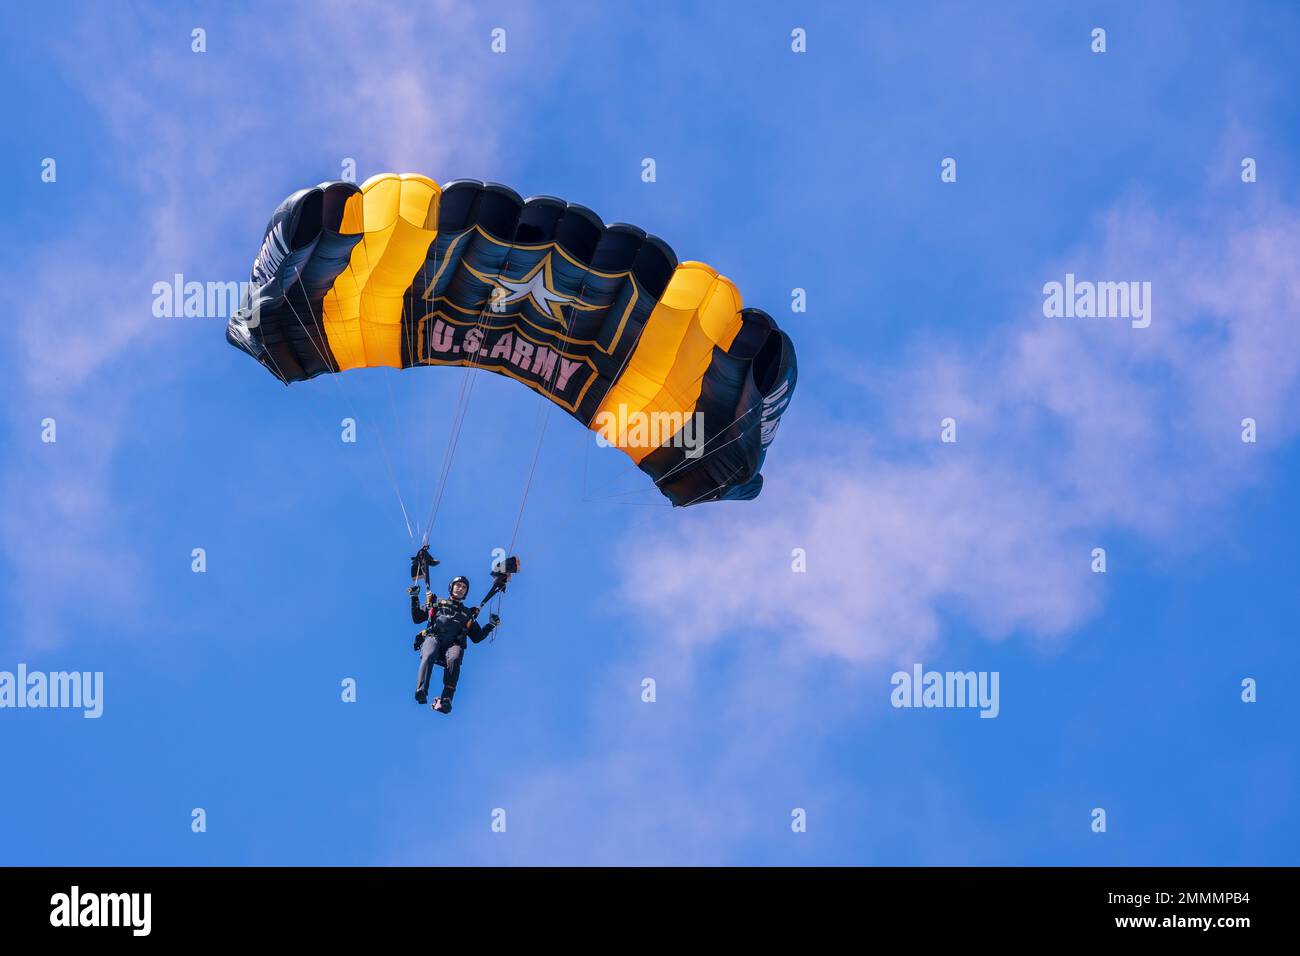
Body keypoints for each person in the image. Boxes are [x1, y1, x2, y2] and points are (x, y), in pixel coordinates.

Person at [409, 573, 499, 715]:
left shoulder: (468, 614)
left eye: (464, 587)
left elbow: (476, 637)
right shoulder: (437, 602)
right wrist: (414, 598)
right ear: (451, 587)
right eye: (458, 585)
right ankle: (421, 690)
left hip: (453, 644)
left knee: (455, 658)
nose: (461, 588)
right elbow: (417, 617)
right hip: (435, 637)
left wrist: (490, 625)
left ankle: (446, 700)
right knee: (430, 653)